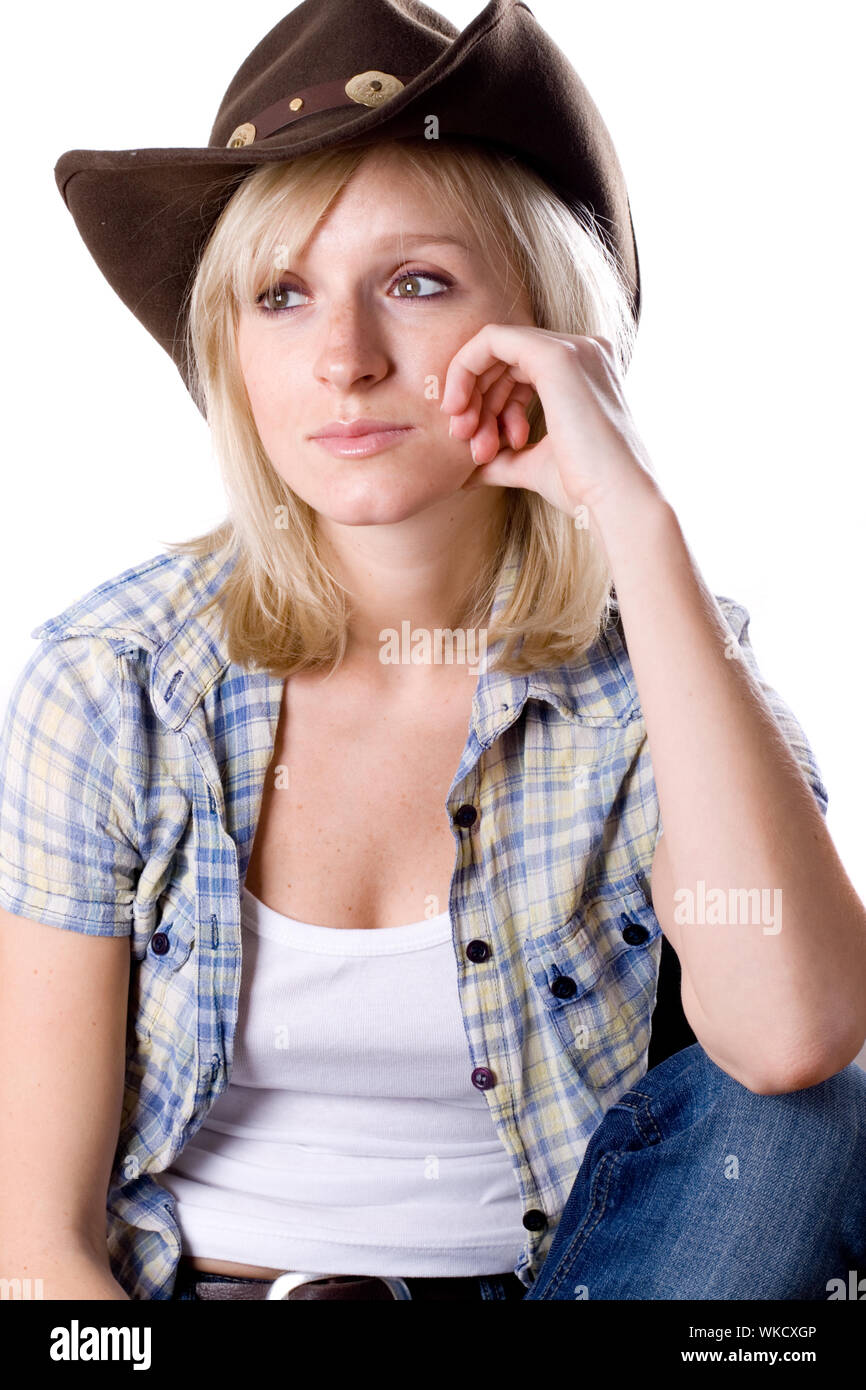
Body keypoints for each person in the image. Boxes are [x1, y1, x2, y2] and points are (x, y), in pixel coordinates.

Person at [1, 0, 865, 1304]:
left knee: (805, 1108)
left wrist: (635, 518)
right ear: (232, 356)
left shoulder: (656, 671)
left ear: (540, 321)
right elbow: (33, 1244)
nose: (344, 360)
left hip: (585, 1286)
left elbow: (795, 1039)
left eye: (414, 283)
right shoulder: (114, 679)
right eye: (281, 296)